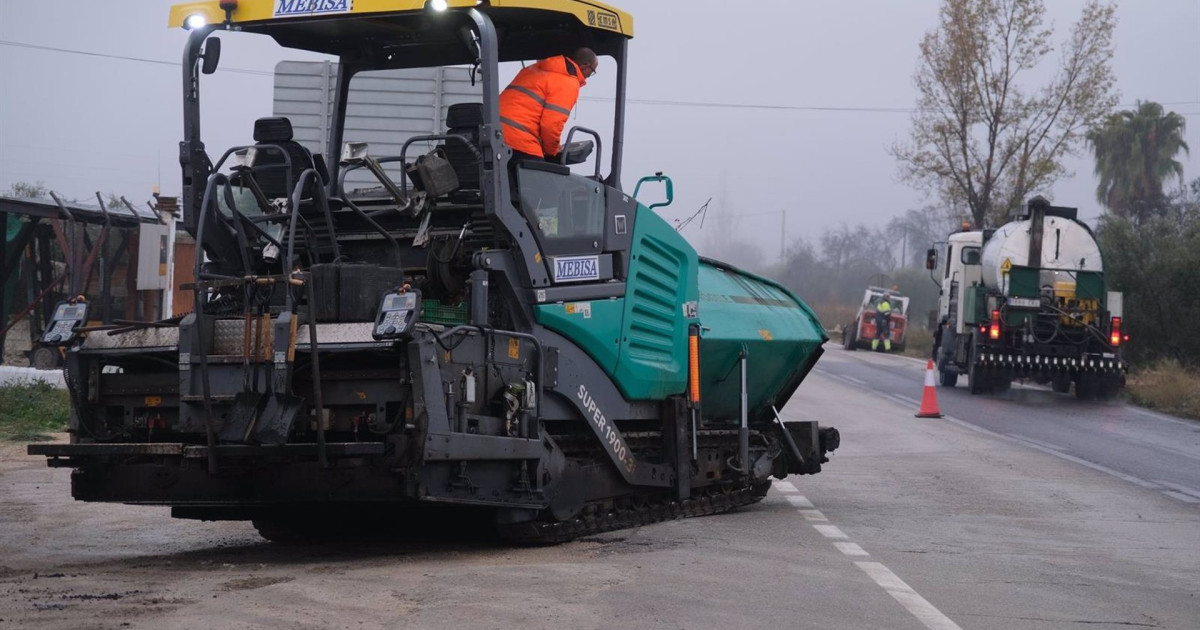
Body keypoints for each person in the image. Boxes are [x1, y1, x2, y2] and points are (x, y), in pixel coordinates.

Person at [499, 48, 598, 165]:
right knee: (544, 175)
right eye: (592, 72)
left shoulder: (531, 70)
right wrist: (552, 152)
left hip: (495, 134)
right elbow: (551, 125)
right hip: (519, 140)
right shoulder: (567, 83)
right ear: (585, 66)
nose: (589, 76)